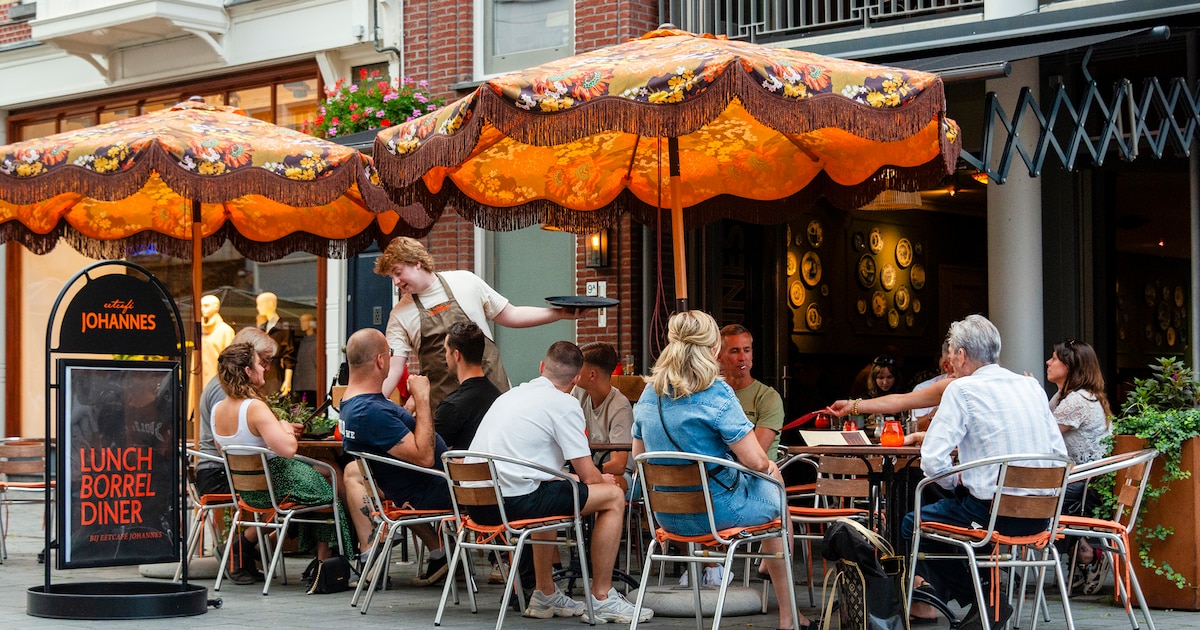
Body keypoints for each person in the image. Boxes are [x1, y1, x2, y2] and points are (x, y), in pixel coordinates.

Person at [632, 311, 814, 630]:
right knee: (774, 492)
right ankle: (789, 617)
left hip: (665, 517)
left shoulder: (649, 394)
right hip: (718, 513)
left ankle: (772, 592)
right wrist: (769, 467)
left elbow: (639, 458)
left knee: (768, 492)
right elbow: (756, 461)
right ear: (713, 348)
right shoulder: (716, 393)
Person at [900, 315, 1067, 628]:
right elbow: (1059, 454)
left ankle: (983, 601)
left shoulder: (961, 390)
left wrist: (955, 483)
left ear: (962, 355)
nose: (949, 360)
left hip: (991, 517)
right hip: (1044, 516)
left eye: (951, 354)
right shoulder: (1032, 386)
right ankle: (986, 603)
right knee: (958, 510)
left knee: (914, 524)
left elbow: (932, 461)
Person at [468, 341, 650, 624]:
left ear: (542, 367)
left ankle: (545, 594)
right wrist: (604, 479)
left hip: (476, 504)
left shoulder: (510, 395)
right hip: (514, 503)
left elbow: (553, 473)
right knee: (613, 496)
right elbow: (590, 478)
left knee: (553, 490)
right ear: (576, 379)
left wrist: (584, 477)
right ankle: (602, 597)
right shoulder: (564, 403)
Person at [374, 236, 578, 410]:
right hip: (446, 410)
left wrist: (559, 314)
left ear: (417, 262)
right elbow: (394, 368)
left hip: (494, 398)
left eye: (398, 272)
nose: (396, 282)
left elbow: (510, 314)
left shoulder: (465, 282)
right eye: (391, 277)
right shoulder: (400, 314)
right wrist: (371, 401)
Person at [212, 342, 352, 568]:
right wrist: (285, 428)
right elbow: (289, 450)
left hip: (248, 492)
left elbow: (225, 450)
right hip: (276, 487)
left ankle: (251, 544)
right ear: (247, 371)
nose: (265, 368)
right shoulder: (254, 407)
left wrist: (275, 428)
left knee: (326, 471)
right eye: (260, 364)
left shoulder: (217, 410)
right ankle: (328, 559)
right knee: (331, 478)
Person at [339, 328, 451, 586]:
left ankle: (435, 553)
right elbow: (424, 457)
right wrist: (422, 399)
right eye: (389, 353)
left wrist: (406, 412)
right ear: (380, 360)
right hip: (435, 488)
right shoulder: (369, 411)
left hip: (410, 486)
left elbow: (388, 438)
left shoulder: (350, 403)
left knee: (353, 472)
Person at [196, 327, 277, 584]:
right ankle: (237, 548)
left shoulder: (223, 386)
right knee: (290, 490)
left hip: (217, 468)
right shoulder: (226, 391)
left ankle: (242, 548)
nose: (266, 367)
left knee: (285, 486)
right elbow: (235, 446)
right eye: (263, 360)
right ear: (245, 359)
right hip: (220, 471)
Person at [1046, 338, 1113, 594]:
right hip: (1080, 480)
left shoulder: (1078, 401)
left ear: (1070, 366)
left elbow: (1041, 436)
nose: (1048, 362)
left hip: (1087, 484)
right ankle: (1082, 552)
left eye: (1054, 358)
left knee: (1035, 500)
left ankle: (1087, 553)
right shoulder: (1065, 397)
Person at [571, 342, 634, 493]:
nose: (572, 370)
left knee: (601, 489)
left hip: (620, 477)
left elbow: (618, 465)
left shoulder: (620, 407)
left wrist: (586, 471)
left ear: (592, 374)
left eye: (578, 365)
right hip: (587, 471)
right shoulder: (578, 392)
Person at [718, 324, 784, 460]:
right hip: (717, 475)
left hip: (757, 476)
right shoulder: (711, 394)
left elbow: (755, 456)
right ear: (719, 356)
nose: (743, 357)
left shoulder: (767, 397)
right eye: (735, 351)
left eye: (747, 350)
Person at [434, 321, 501, 450]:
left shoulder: (451, 406)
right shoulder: (498, 396)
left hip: (462, 470)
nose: (445, 356)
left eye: (446, 351)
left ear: (456, 355)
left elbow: (433, 456)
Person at [256, 291, 296, 396]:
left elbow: (289, 355)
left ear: (271, 304)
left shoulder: (283, 327)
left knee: (275, 402)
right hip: (262, 372)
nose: (257, 308)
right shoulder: (263, 327)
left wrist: (288, 380)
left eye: (260, 304)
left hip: (276, 373)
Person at [910, 341, 952, 424]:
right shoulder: (922, 389)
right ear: (946, 366)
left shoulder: (979, 385)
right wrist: (936, 413)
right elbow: (917, 427)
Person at [200, 295, 235, 388]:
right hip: (200, 382)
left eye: (206, 306)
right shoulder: (199, 331)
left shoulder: (226, 331)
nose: (202, 309)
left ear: (216, 307)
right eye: (201, 306)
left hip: (219, 385)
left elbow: (231, 362)